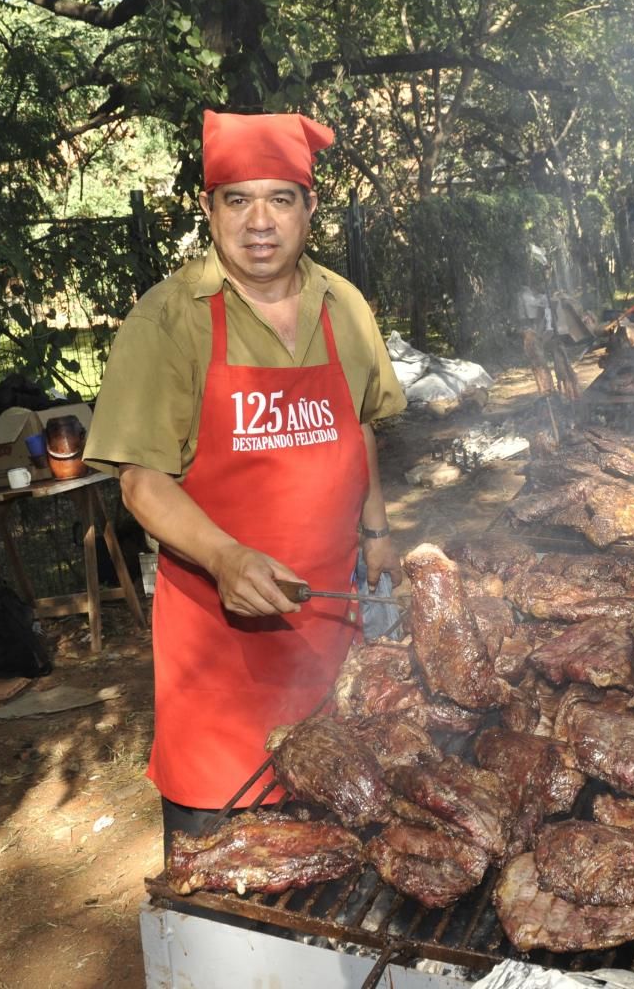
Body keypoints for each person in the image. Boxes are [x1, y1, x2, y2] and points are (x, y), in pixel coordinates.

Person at [84, 111, 408, 851]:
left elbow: (359, 426)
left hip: (329, 632)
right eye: (238, 200)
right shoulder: (170, 319)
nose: (260, 222)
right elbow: (140, 480)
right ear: (209, 209)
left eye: (280, 199)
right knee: (221, 867)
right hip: (219, 652)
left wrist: (378, 531)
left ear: (310, 207)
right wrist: (226, 557)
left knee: (340, 840)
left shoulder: (345, 306)